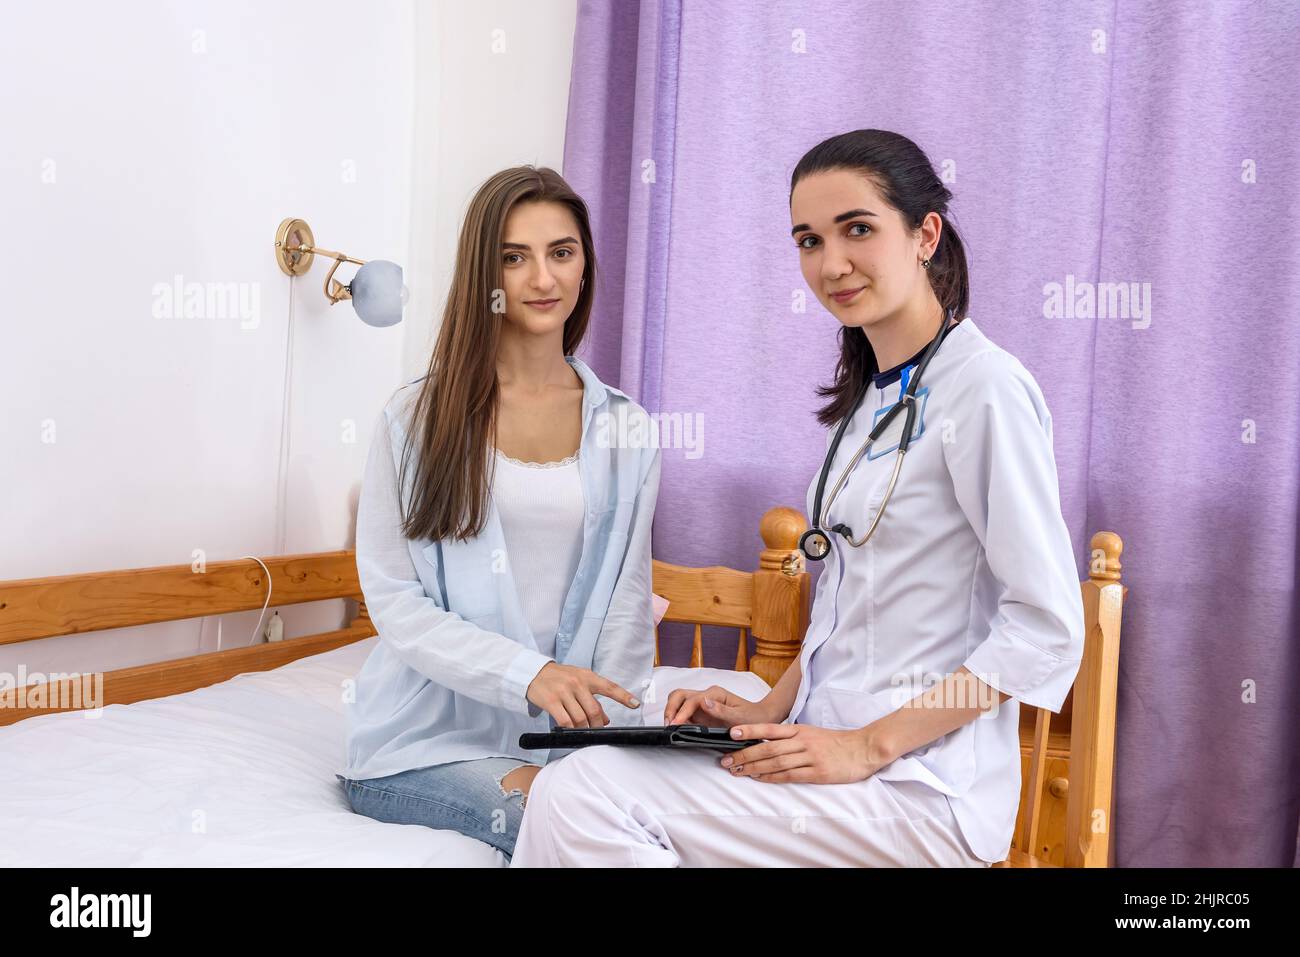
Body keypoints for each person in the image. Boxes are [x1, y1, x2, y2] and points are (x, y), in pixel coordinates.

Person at [511, 130, 1085, 867]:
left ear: (925, 234)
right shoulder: (870, 400)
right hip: (830, 752)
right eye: (809, 240)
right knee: (583, 769)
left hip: (921, 787)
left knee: (585, 795)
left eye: (857, 230)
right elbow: (852, 606)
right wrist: (765, 708)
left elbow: (1045, 629)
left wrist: (864, 746)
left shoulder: (987, 391)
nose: (831, 262)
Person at [336, 166, 662, 862]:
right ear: (485, 272)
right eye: (515, 257)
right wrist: (528, 674)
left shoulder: (627, 428)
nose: (543, 277)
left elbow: (626, 608)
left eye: (562, 252)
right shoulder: (414, 419)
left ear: (585, 265)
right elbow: (397, 604)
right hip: (423, 747)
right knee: (586, 835)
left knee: (670, 819)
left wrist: (621, 737)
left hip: (567, 748)